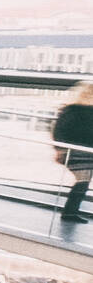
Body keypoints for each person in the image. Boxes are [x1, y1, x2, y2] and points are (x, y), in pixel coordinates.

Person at [53, 83, 93, 224]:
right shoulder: (78, 111)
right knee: (83, 180)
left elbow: (58, 131)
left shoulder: (70, 109)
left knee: (83, 180)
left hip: (78, 152)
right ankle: (70, 212)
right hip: (78, 153)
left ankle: (70, 212)